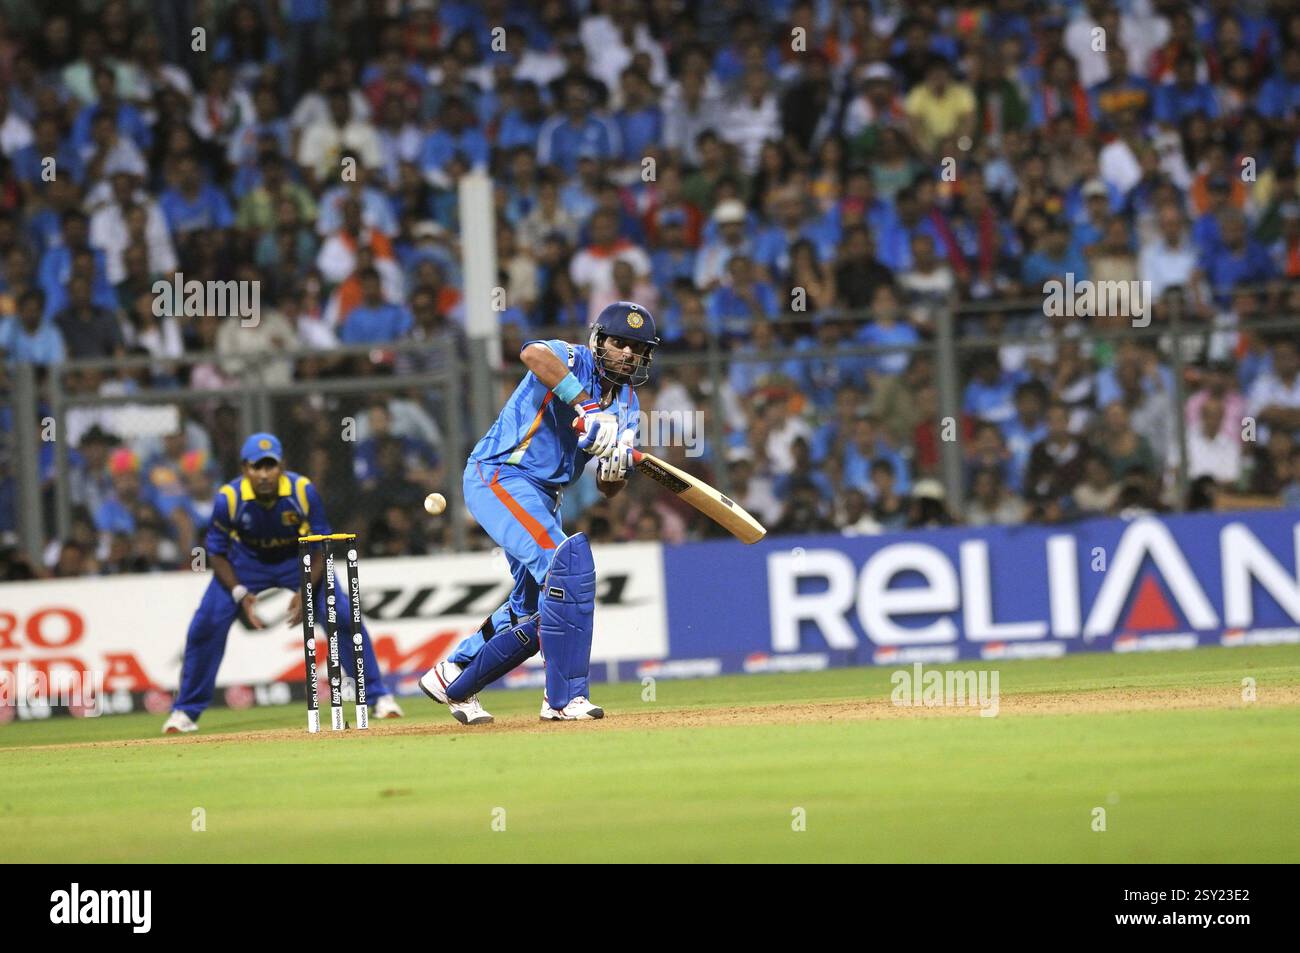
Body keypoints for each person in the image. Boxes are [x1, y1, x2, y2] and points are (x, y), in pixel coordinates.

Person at [418, 302, 658, 724]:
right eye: (618, 343)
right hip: (500, 474)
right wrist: (586, 406)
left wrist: (616, 467)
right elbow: (531, 354)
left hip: (545, 496)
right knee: (567, 566)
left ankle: (454, 676)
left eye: (636, 348)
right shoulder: (570, 357)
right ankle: (564, 699)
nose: (626, 354)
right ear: (599, 340)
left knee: (534, 608)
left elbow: (607, 488)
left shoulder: (628, 405)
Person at [163, 432, 403, 733]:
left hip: (298, 559)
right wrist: (240, 592)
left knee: (342, 615)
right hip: (245, 564)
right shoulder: (229, 497)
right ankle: (185, 712)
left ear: (281, 466)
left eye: (270, 466)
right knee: (205, 625)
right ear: (245, 469)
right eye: (256, 467)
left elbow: (322, 546)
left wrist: (305, 591)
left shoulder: (302, 491)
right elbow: (216, 553)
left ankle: (378, 697)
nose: (263, 474)